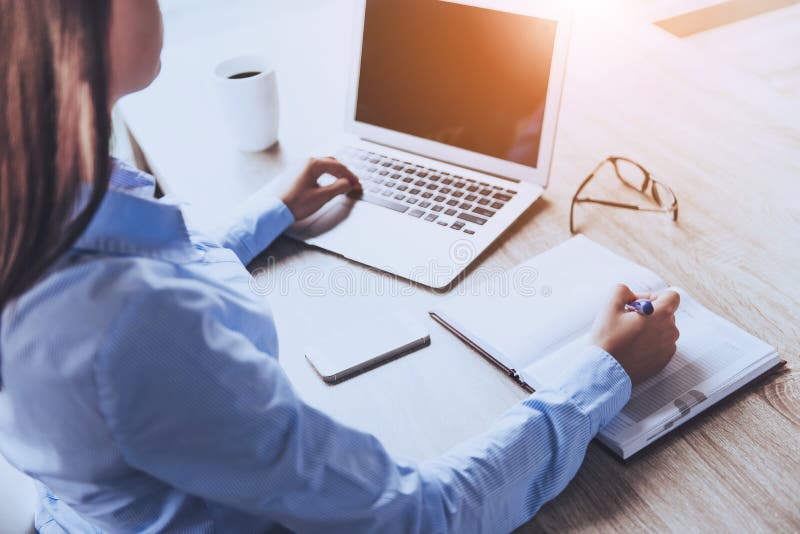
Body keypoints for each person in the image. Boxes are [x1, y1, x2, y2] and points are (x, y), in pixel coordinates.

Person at [0, 1, 681, 532]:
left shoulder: (41, 195)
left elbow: (143, 262)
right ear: (71, 24)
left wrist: (269, 211)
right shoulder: (130, 324)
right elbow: (416, 517)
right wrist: (601, 373)